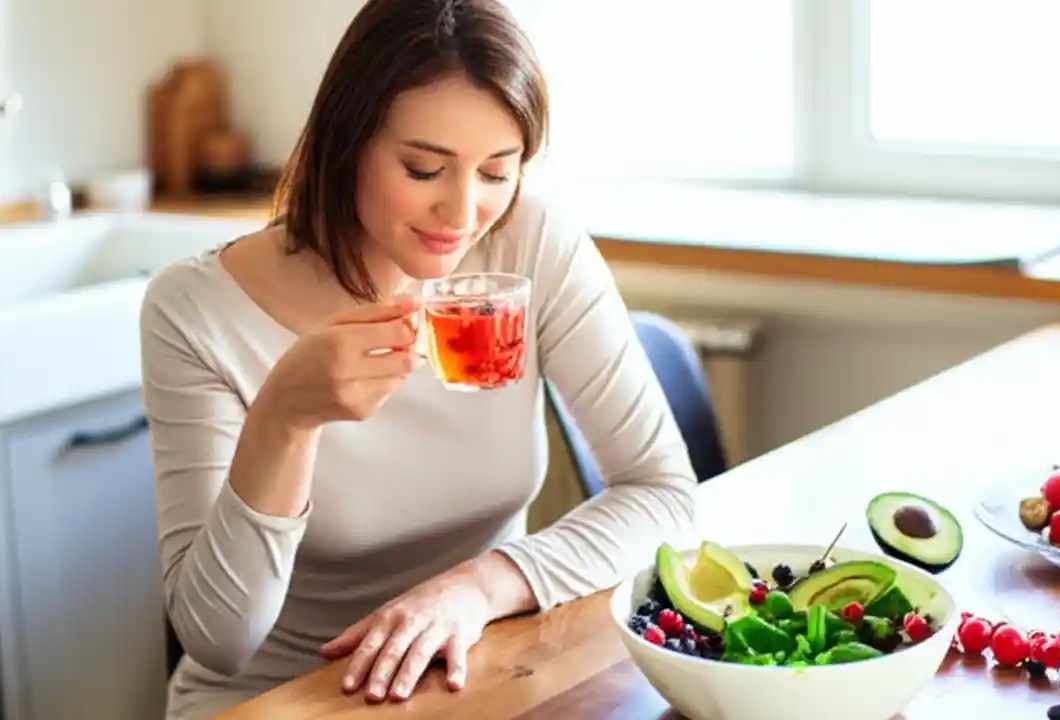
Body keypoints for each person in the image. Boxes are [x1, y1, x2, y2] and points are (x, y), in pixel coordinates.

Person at [138, 0, 697, 717]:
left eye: (497, 171)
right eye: (424, 168)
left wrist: (480, 587)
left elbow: (665, 496)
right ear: (348, 142)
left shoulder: (531, 246)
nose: (462, 215)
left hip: (475, 674)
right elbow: (218, 641)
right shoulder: (196, 308)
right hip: (279, 701)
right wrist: (284, 417)